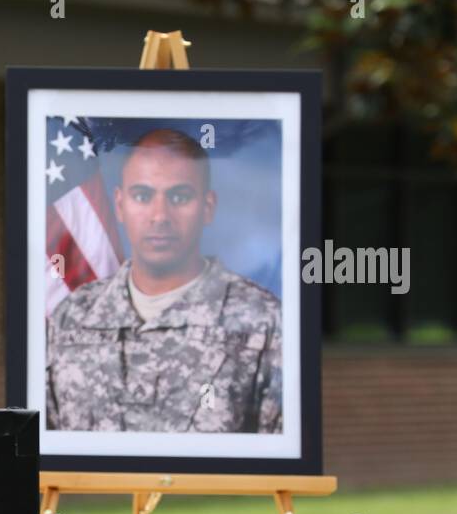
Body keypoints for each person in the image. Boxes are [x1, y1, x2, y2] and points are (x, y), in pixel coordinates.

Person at [45, 128, 282, 434]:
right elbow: (45, 456)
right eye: (142, 196)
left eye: (179, 196)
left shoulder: (262, 320)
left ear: (207, 207)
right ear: (119, 206)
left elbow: (277, 468)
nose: (159, 215)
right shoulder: (71, 317)